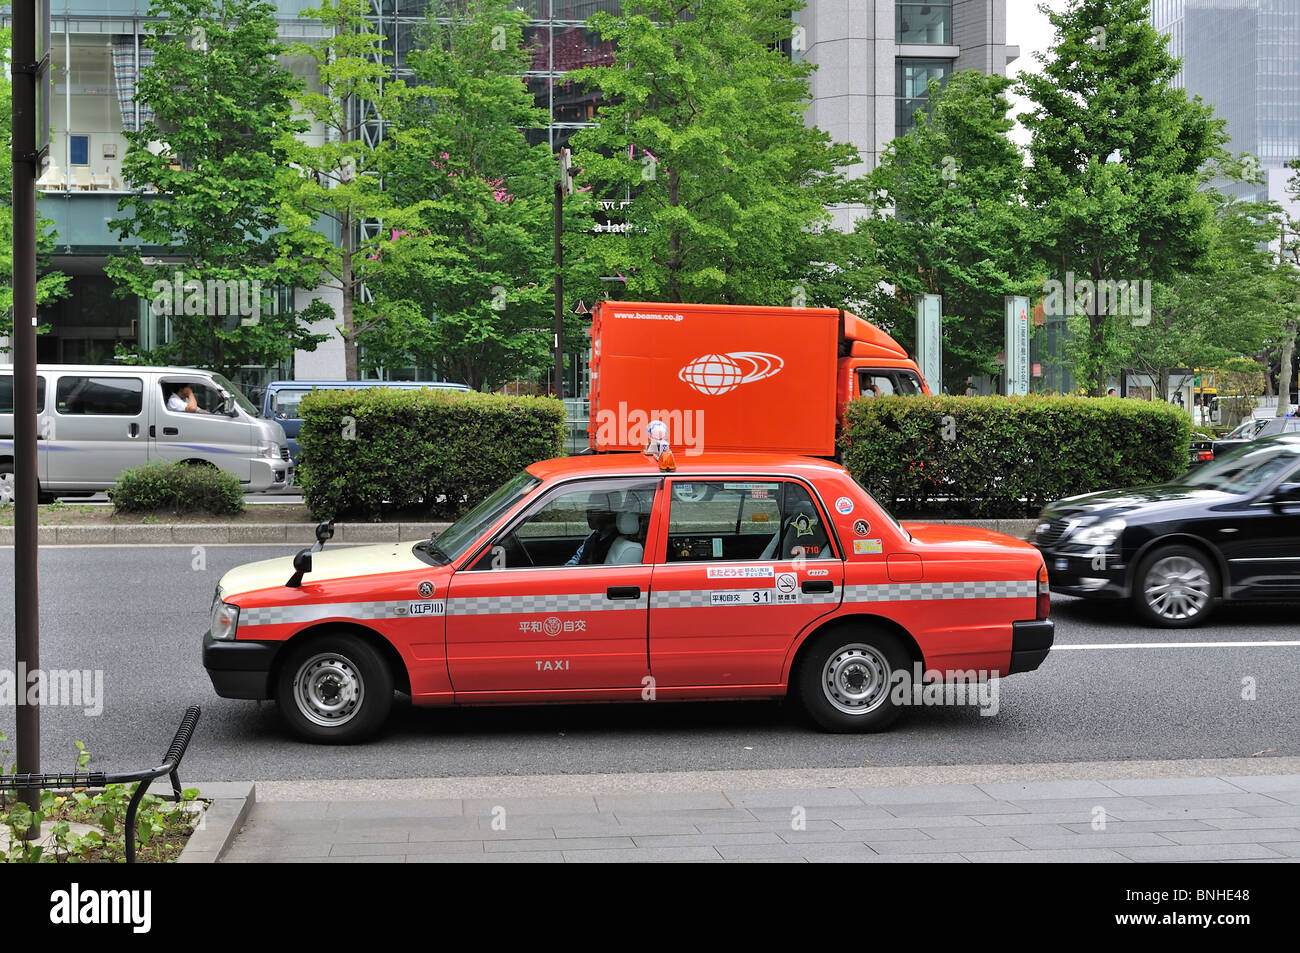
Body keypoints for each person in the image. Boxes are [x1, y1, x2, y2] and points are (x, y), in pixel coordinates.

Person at [566, 496, 620, 566]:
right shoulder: (595, 535)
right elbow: (577, 557)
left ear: (607, 512)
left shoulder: (614, 543)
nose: (588, 516)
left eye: (593, 511)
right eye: (587, 511)